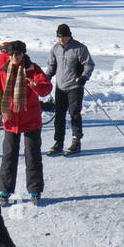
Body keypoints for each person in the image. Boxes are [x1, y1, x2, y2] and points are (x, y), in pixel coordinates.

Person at [0, 40, 52, 202]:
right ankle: (5, 190)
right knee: (8, 156)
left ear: (23, 54)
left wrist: (35, 84)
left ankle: (34, 190)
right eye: (11, 54)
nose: (14, 57)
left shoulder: (33, 69)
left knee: (32, 156)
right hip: (11, 119)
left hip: (30, 119)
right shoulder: (3, 70)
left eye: (17, 54)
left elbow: (46, 89)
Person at [45, 23, 95, 156]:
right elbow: (52, 66)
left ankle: (76, 141)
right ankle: (58, 142)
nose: (61, 40)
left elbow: (88, 64)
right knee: (59, 115)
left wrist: (84, 76)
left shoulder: (79, 48)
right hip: (60, 87)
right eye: (59, 37)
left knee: (74, 114)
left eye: (64, 37)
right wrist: (46, 77)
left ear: (69, 36)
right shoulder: (55, 49)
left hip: (74, 86)